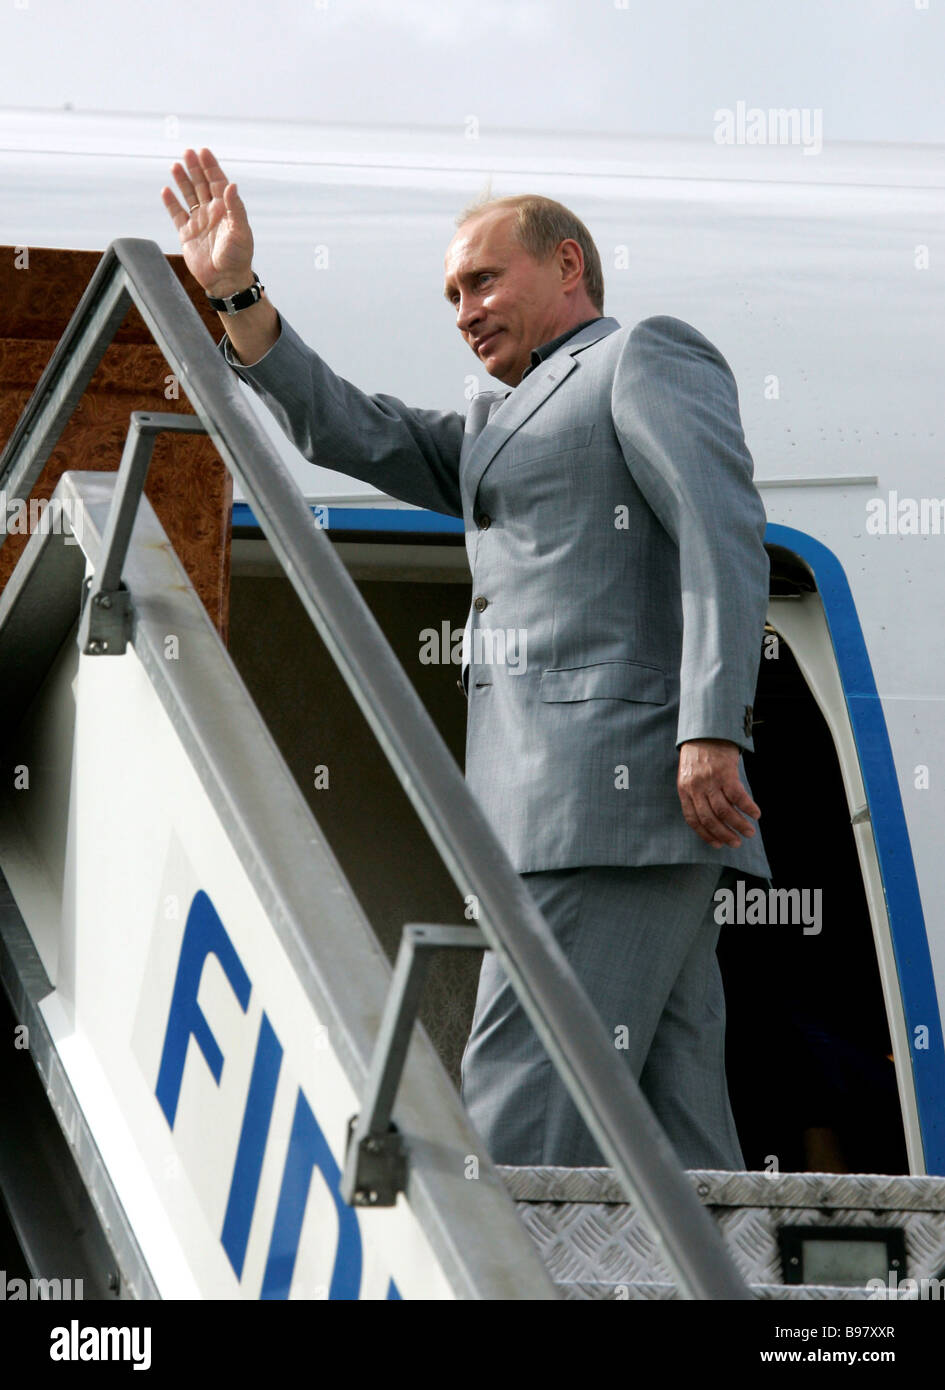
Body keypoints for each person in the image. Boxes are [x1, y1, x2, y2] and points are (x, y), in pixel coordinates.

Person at [162, 146, 771, 1171]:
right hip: (554, 820)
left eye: (483, 279)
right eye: (452, 293)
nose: (464, 308)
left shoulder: (643, 358)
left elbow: (726, 532)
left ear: (568, 264)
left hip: (607, 811)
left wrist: (711, 725)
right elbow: (346, 426)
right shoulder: (493, 423)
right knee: (678, 1147)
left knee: (518, 1111)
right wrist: (237, 293)